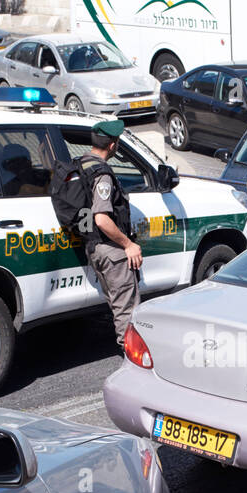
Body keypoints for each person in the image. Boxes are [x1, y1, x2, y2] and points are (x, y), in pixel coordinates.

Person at [79, 119, 142, 349]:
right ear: (113, 145)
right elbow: (102, 218)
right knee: (127, 311)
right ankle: (134, 363)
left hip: (94, 247)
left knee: (118, 306)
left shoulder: (81, 164)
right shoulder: (102, 173)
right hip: (111, 250)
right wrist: (128, 245)